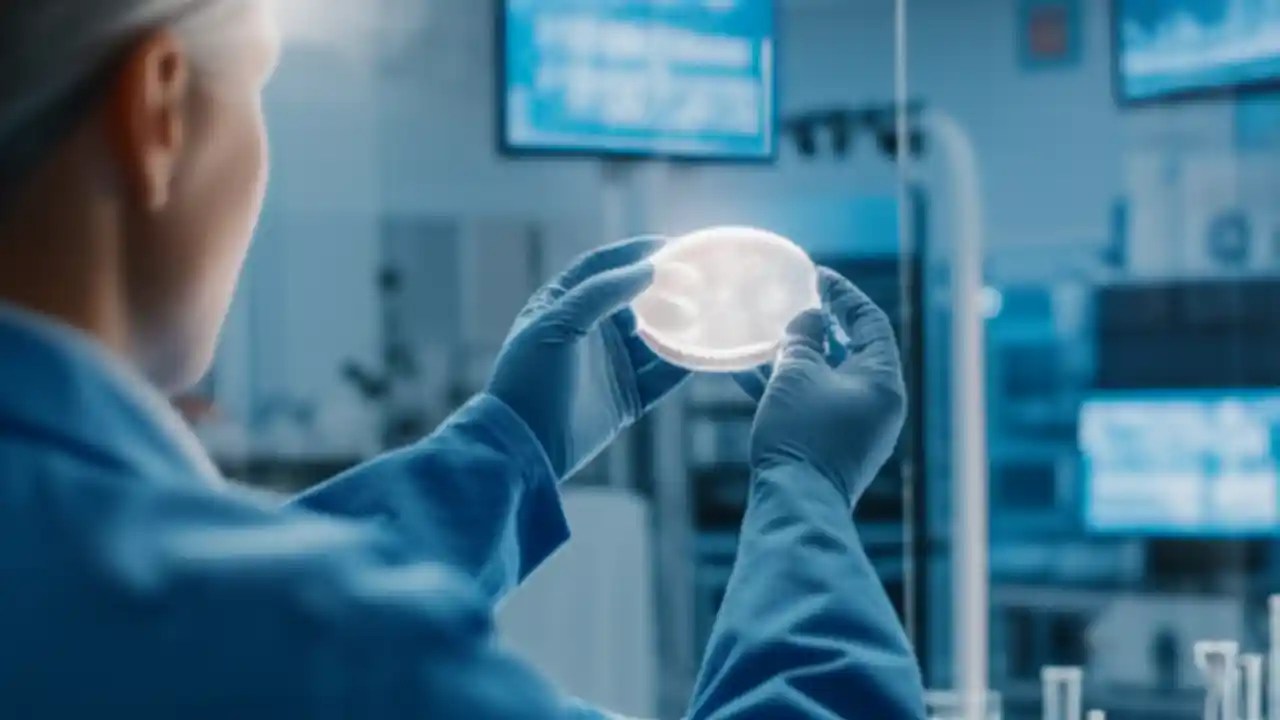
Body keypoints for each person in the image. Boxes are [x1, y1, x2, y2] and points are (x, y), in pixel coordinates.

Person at [0, 0, 926, 717]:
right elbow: (272, 634)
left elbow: (180, 616)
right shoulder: (332, 661)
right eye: (257, 92)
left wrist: (498, 453)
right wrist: (803, 494)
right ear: (158, 108)